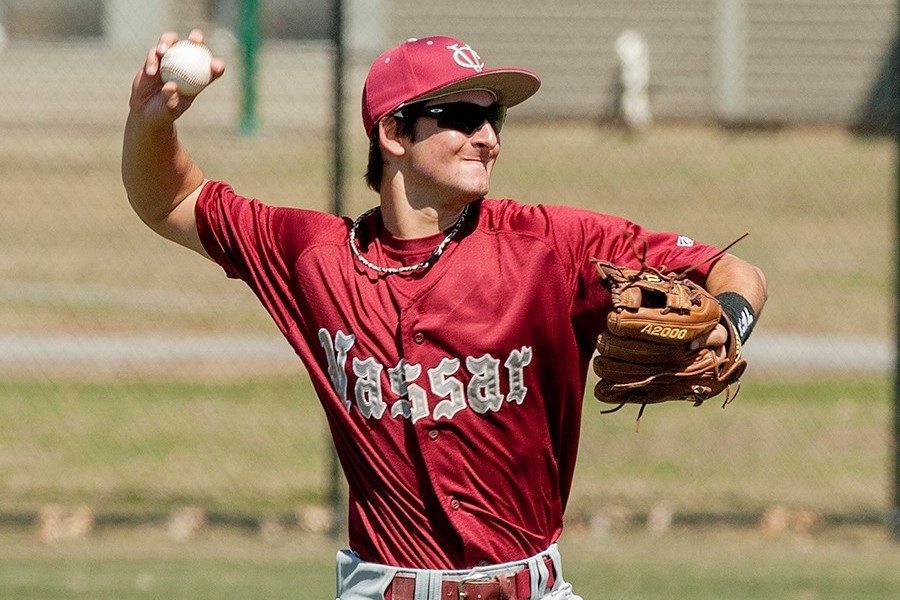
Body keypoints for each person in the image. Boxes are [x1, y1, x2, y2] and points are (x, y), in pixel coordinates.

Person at [123, 30, 767, 600]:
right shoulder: (316, 258)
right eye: (460, 116)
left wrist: (730, 322)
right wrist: (153, 118)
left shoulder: (549, 247)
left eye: (495, 119)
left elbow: (733, 272)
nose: (486, 138)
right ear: (394, 133)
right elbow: (171, 198)